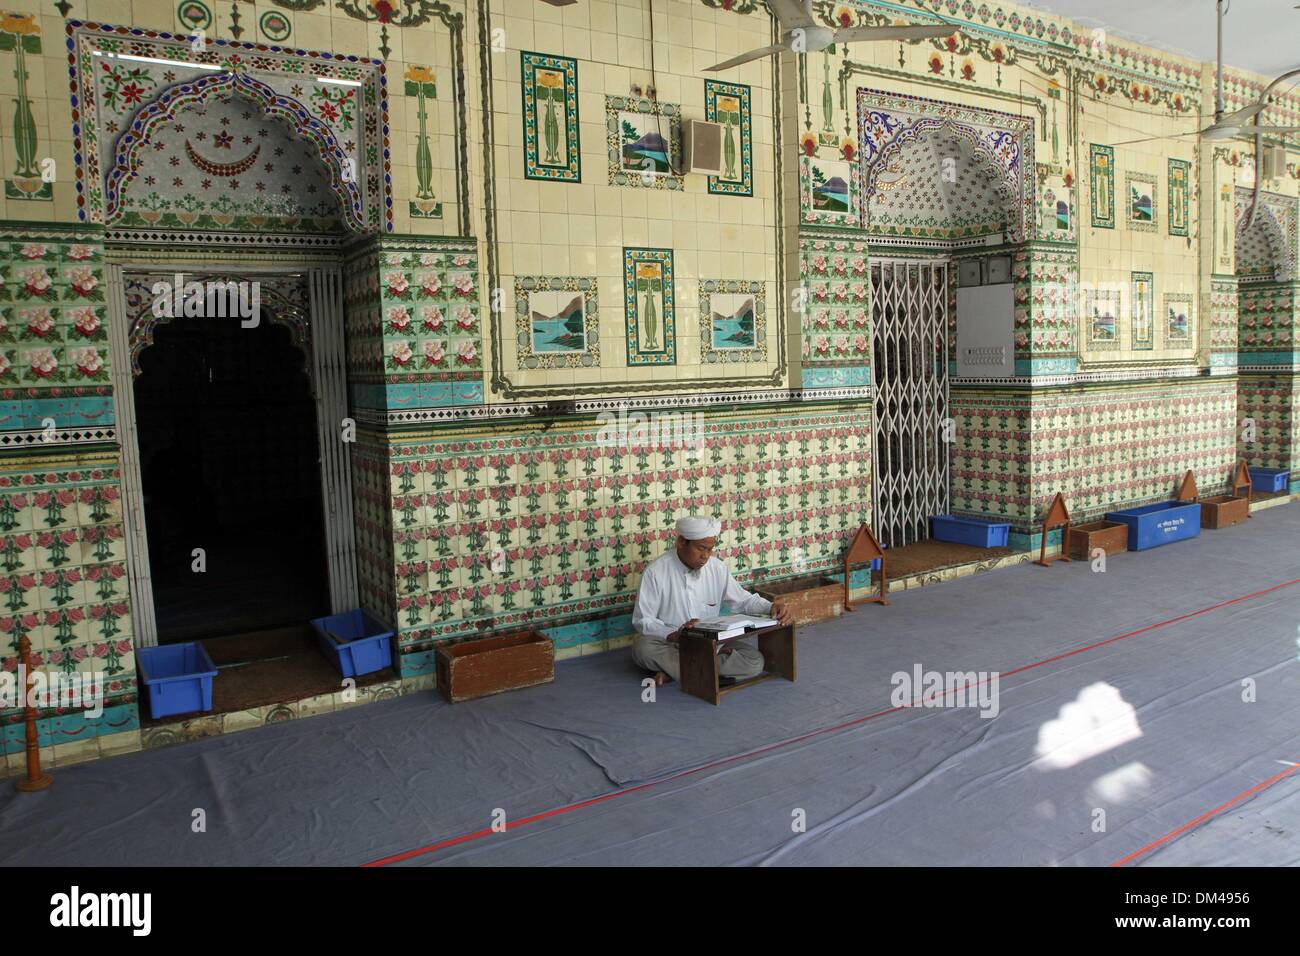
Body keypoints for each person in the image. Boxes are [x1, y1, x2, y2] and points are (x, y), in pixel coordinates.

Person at [632, 515, 794, 687]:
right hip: (672, 643)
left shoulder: (717, 568)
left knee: (755, 661)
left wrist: (771, 606)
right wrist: (674, 634)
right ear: (681, 542)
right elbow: (643, 621)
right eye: (701, 548)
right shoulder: (655, 572)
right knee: (642, 648)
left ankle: (678, 671)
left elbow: (742, 601)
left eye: (710, 550)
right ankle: (704, 672)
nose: (705, 556)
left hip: (711, 644)